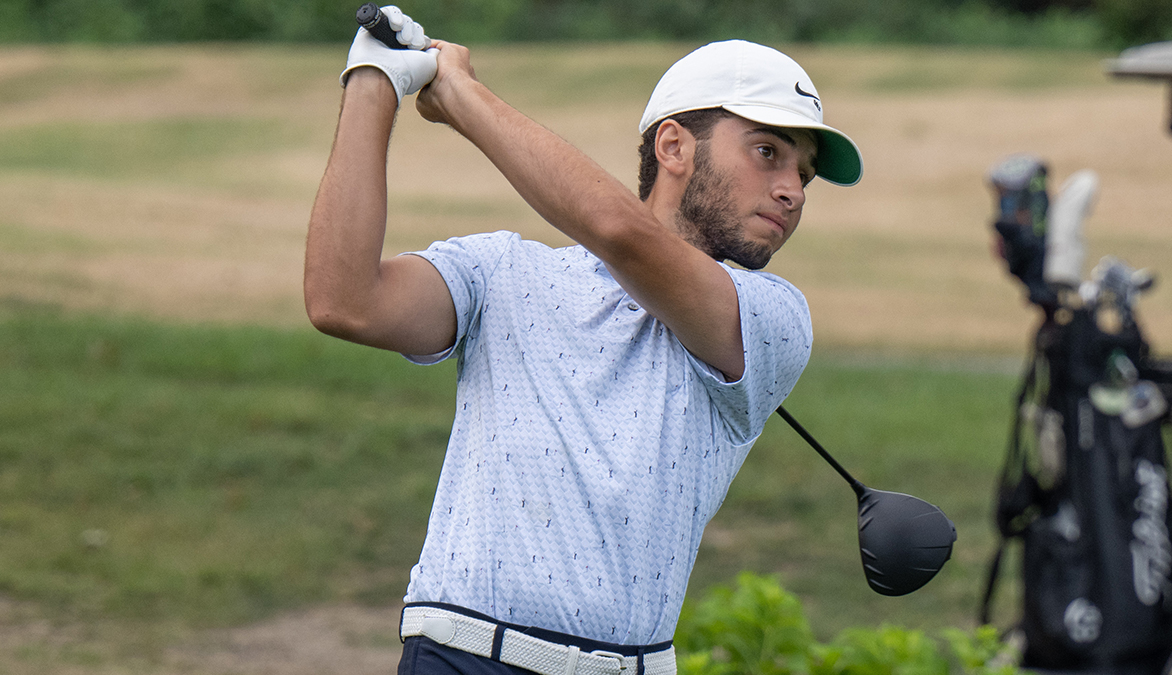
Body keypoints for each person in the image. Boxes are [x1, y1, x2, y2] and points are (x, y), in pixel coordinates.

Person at [304, 7, 863, 675]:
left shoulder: (774, 318)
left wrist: (459, 94)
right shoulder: (504, 272)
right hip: (463, 657)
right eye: (769, 151)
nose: (792, 190)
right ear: (674, 147)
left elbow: (621, 233)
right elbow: (344, 299)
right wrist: (374, 81)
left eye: (804, 173)